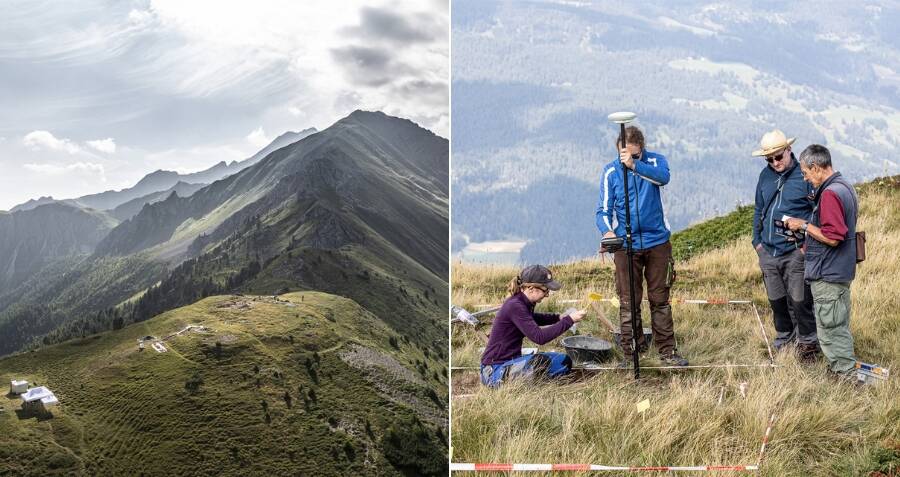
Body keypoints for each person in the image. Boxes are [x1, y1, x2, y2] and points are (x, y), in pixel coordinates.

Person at [595, 125, 687, 367]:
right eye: (622, 155)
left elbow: (663, 178)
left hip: (658, 242)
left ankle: (667, 352)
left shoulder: (655, 163)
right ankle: (631, 353)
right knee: (628, 301)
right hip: (626, 245)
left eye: (633, 155)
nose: (626, 160)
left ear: (641, 150)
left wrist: (635, 166)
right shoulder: (610, 172)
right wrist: (607, 231)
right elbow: (603, 210)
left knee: (660, 299)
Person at [785, 145, 858, 378]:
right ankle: (840, 369)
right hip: (839, 270)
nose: (806, 178)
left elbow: (833, 236)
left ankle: (844, 375)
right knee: (836, 323)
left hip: (828, 272)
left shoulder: (829, 194)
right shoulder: (845, 186)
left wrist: (804, 225)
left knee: (830, 328)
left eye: (806, 173)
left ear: (816, 168)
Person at [751, 129, 819, 361]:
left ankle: (808, 343)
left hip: (795, 252)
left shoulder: (805, 177)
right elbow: (759, 209)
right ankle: (784, 339)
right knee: (777, 300)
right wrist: (757, 242)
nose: (775, 162)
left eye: (779, 156)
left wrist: (804, 247)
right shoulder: (764, 176)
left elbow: (817, 213)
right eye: (769, 159)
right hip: (768, 251)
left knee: (800, 300)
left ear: (789, 150)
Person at [480, 265, 587, 387]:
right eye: (546, 290)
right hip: (494, 370)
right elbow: (539, 337)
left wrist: (559, 317)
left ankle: (534, 381)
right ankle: (526, 382)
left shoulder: (524, 302)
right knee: (540, 362)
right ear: (531, 288)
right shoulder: (515, 305)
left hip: (512, 363)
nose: (547, 294)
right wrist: (569, 320)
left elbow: (532, 318)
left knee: (564, 361)